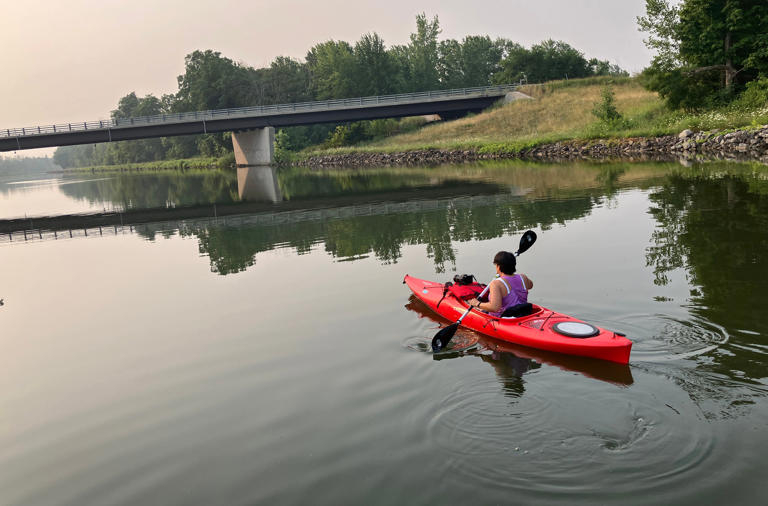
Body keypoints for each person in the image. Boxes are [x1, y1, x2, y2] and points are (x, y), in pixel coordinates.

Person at [467, 251, 533, 317]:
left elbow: (495, 308)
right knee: (483, 308)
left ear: (498, 267)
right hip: (523, 313)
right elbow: (530, 285)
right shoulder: (523, 277)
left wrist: (477, 303)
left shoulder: (496, 284)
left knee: (471, 304)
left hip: (504, 318)